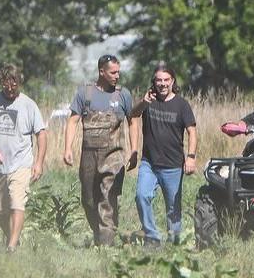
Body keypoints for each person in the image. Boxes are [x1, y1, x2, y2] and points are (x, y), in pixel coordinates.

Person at [63, 54, 139, 246]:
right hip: (89, 157)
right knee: (88, 200)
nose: (117, 76)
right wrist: (67, 148)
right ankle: (100, 234)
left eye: (118, 72)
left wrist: (134, 150)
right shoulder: (85, 93)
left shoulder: (123, 95)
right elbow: (72, 121)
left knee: (108, 199)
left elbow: (133, 122)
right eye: (113, 72)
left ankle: (106, 245)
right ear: (101, 72)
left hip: (114, 156)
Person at [0, 64, 47, 252]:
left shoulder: (28, 105)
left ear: (19, 83)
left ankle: (11, 248)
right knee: (0, 211)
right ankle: (12, 237)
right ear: (1, 83)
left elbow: (41, 134)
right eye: (6, 85)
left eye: (14, 85)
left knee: (17, 203)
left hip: (21, 164)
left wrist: (39, 163)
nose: (10, 89)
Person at [130, 65, 197, 246]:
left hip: (173, 165)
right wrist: (143, 102)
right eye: (159, 80)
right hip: (149, 163)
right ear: (154, 82)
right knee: (141, 196)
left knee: (173, 209)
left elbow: (192, 131)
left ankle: (174, 243)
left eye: (166, 80)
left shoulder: (182, 105)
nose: (162, 84)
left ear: (172, 81)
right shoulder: (148, 101)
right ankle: (152, 237)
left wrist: (191, 157)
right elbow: (133, 115)